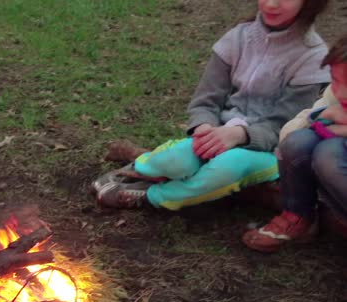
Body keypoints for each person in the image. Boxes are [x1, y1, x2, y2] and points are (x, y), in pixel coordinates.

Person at [93, 0, 331, 211]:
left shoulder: (312, 56)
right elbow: (206, 100)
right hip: (217, 134)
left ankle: (151, 197)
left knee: (228, 166)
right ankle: (140, 168)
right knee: (176, 161)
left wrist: (239, 135)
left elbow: (286, 127)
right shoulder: (237, 38)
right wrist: (204, 128)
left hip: (269, 152)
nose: (271, 4)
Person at [243, 35, 347, 252]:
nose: (340, 92)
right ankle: (298, 215)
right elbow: (289, 134)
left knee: (329, 152)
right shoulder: (336, 97)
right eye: (336, 80)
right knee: (299, 141)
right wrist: (324, 115)